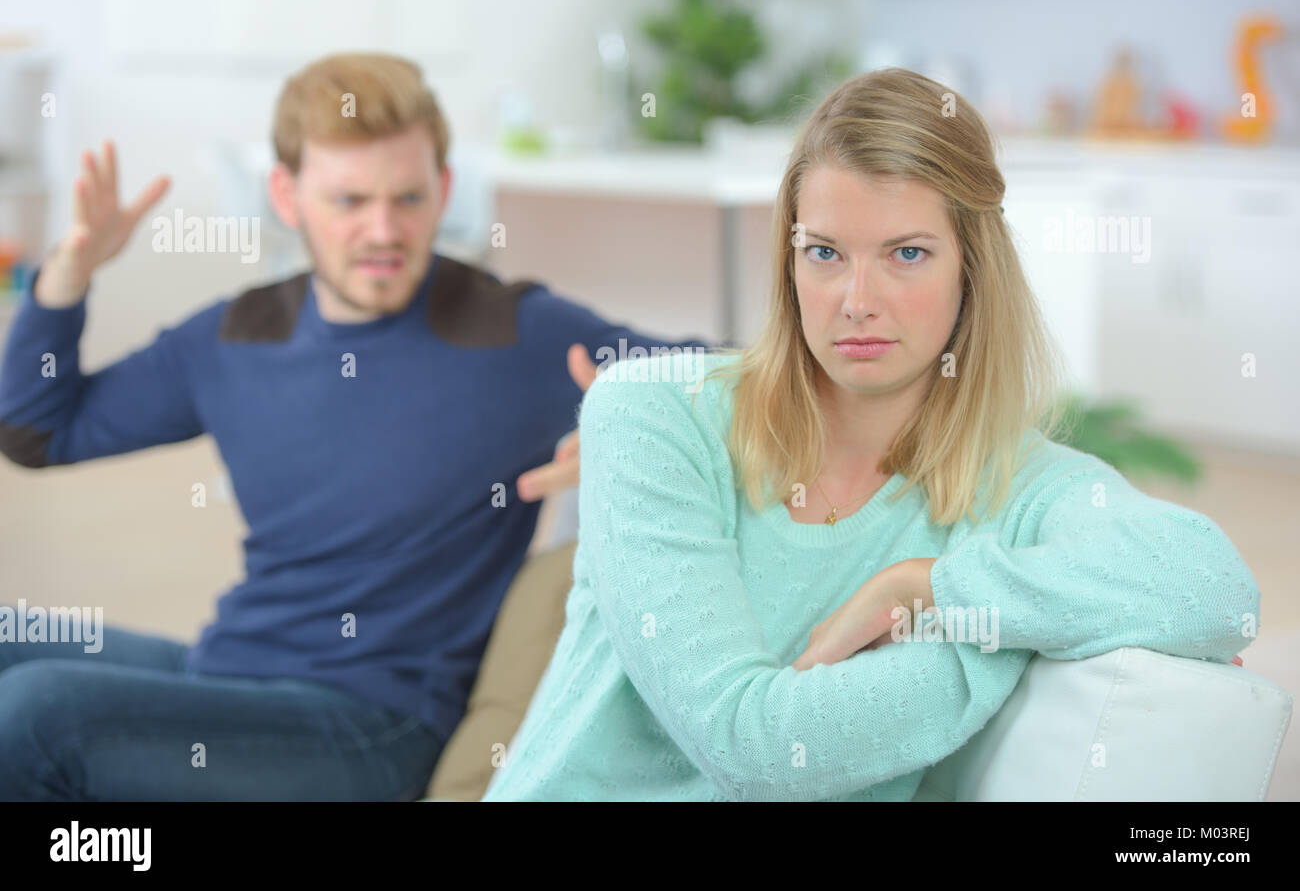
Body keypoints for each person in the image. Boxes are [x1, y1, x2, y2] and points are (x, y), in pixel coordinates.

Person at [481, 67, 1261, 802]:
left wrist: (929, 590)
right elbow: (748, 743)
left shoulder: (1020, 486)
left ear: (973, 269)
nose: (856, 300)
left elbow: (1213, 589)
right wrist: (989, 643)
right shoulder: (653, 413)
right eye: (824, 252)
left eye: (907, 254)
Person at [0, 52, 713, 800]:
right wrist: (68, 274)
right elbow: (37, 432)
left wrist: (627, 425)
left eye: (408, 197)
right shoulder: (235, 336)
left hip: (374, 723)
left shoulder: (514, 332)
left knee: (38, 714)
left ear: (443, 190)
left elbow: (729, 374)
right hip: (232, 668)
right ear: (287, 194)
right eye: (349, 200)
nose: (384, 230)